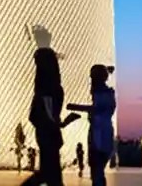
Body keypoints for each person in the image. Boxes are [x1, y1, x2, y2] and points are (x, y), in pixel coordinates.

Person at [21, 26, 81, 186]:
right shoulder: (46, 61)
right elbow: (46, 96)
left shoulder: (44, 58)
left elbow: (45, 96)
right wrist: (54, 120)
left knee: (50, 172)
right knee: (50, 172)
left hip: (45, 124)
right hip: (47, 125)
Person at [67, 64, 115, 186]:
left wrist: (75, 107)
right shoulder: (106, 93)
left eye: (93, 77)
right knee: (97, 171)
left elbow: (98, 109)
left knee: (97, 170)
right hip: (99, 134)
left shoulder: (105, 94)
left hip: (100, 135)